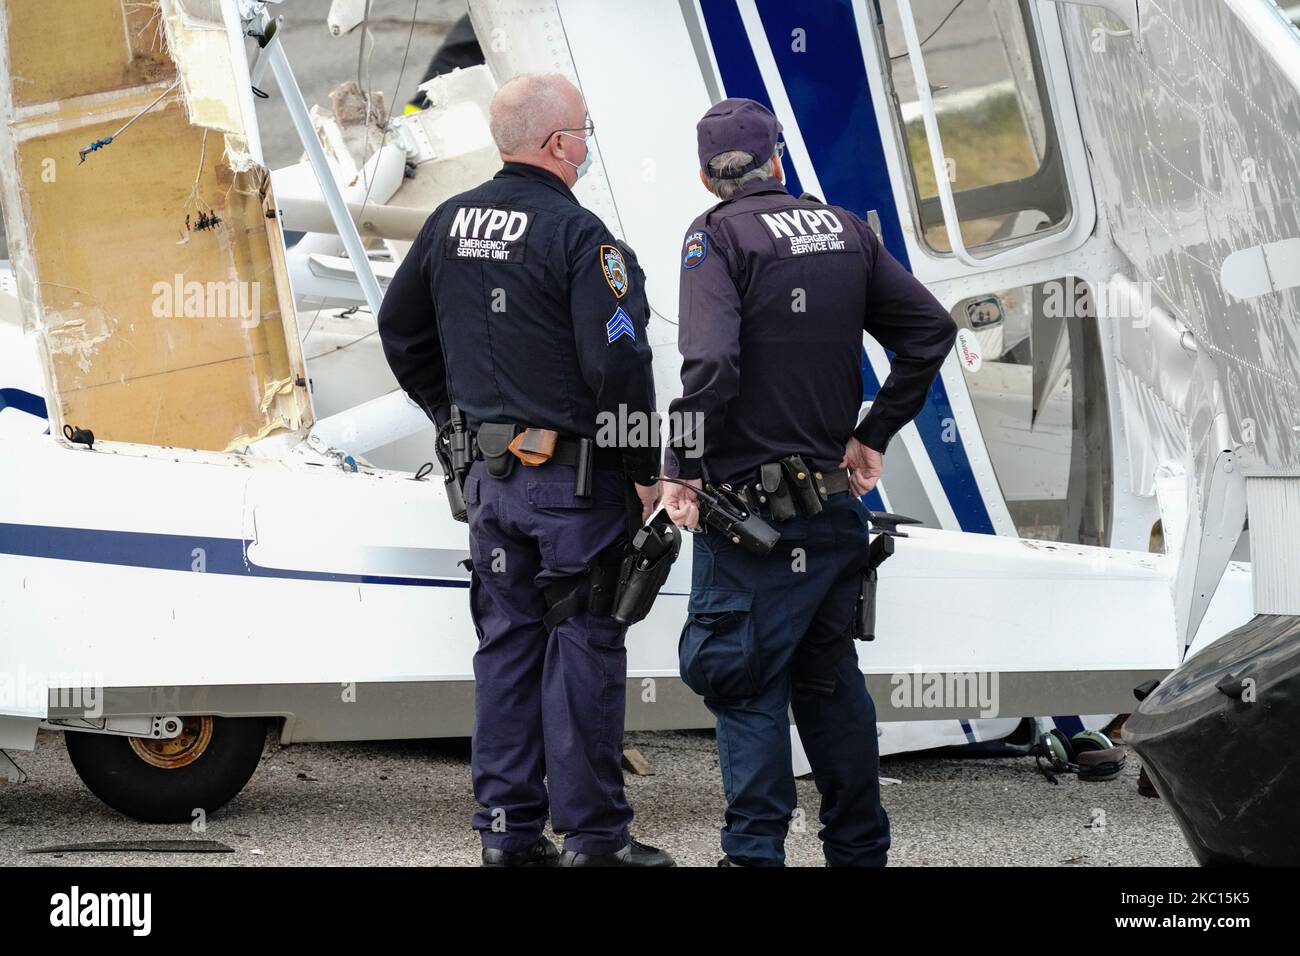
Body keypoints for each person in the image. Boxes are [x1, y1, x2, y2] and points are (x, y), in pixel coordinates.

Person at [378, 72, 672, 867]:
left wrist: (453, 420)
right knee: (583, 647)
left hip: (491, 486)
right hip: (572, 488)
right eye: (584, 132)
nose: (587, 146)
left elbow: (398, 330)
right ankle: (595, 841)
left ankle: (506, 835)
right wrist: (644, 465)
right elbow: (619, 364)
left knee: (505, 648)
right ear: (557, 145)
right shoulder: (582, 240)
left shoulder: (448, 223)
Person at [661, 98, 958, 867]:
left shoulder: (714, 236)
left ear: (706, 175)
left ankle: (754, 856)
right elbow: (930, 332)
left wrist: (680, 467)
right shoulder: (846, 231)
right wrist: (873, 432)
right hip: (832, 508)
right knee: (829, 681)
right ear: (778, 162)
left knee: (743, 678)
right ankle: (859, 853)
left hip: (750, 521)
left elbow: (712, 365)